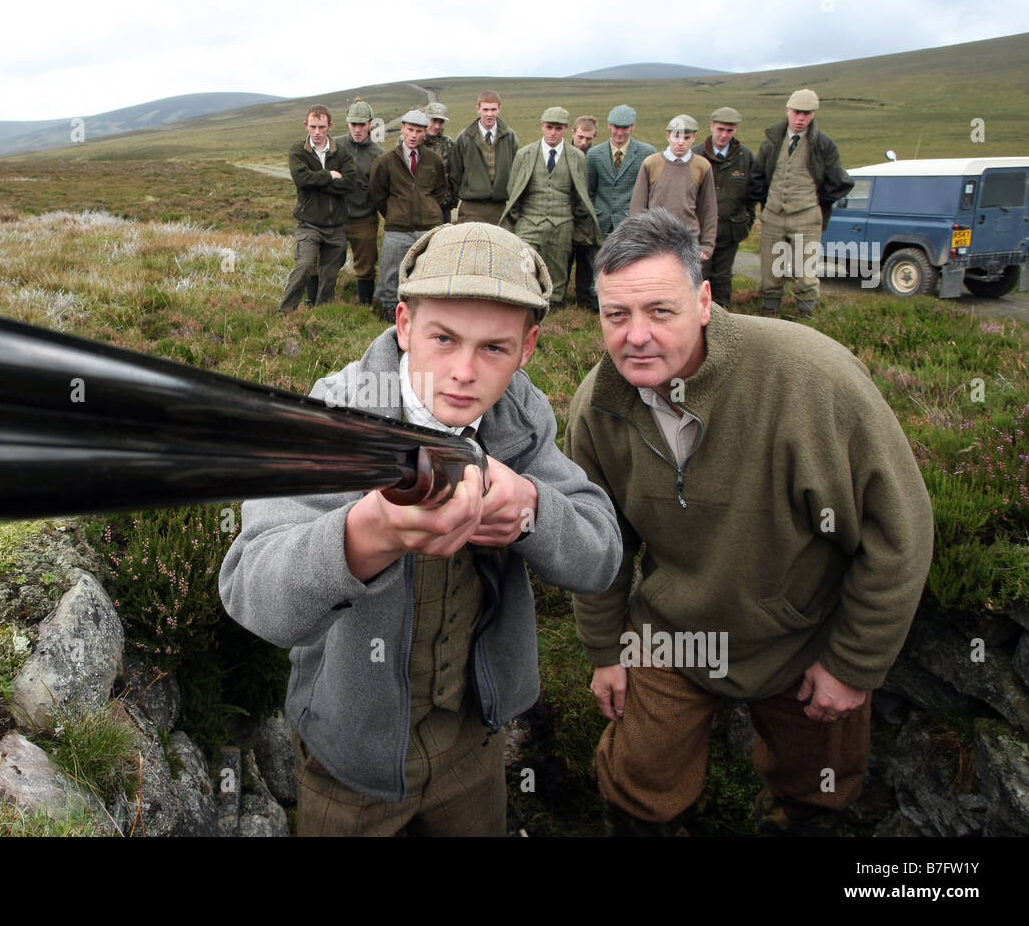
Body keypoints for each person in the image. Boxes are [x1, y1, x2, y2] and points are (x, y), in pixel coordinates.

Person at [220, 222, 623, 836]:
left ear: (529, 347)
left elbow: (600, 557)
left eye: (495, 348)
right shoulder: (333, 418)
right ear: (404, 324)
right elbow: (254, 594)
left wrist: (532, 509)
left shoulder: (521, 416)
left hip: (475, 747)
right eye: (443, 338)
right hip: (348, 763)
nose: (464, 372)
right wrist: (367, 533)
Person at [564, 208, 933, 835]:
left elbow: (900, 530)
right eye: (616, 315)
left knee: (817, 800)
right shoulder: (599, 405)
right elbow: (598, 546)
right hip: (671, 636)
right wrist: (605, 650)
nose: (636, 337)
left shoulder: (812, 380)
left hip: (803, 633)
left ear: (704, 301)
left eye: (660, 311)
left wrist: (852, 663)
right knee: (636, 793)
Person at [753, 89, 855, 318]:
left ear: (814, 114)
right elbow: (758, 178)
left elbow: (840, 181)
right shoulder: (771, 143)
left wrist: (816, 201)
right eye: (797, 112)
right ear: (788, 111)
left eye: (806, 114)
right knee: (770, 270)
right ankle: (769, 313)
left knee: (806, 271)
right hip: (773, 215)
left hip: (807, 217)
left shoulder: (823, 145)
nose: (801, 118)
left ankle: (805, 316)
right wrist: (767, 202)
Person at [500, 107, 601, 307]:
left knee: (558, 268)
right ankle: (523, 301)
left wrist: (578, 223)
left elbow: (579, 192)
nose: (553, 132)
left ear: (566, 129)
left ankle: (554, 306)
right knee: (524, 264)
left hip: (562, 222)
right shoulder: (525, 154)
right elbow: (513, 189)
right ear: (542, 126)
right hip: (528, 220)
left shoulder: (577, 157)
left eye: (558, 128)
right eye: (549, 127)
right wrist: (516, 220)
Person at [370, 109, 448, 323]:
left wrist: (429, 209)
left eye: (419, 131)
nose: (414, 135)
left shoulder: (434, 160)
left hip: (428, 227)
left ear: (426, 132)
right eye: (410, 129)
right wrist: (395, 213)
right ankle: (387, 312)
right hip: (397, 228)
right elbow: (378, 194)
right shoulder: (385, 161)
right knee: (390, 272)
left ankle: (427, 314)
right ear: (403, 128)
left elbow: (440, 190)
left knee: (429, 271)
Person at [279, 104, 357, 314]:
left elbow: (350, 183)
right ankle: (285, 312)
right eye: (313, 126)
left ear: (330, 125)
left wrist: (317, 181)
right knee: (304, 266)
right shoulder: (298, 151)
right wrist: (330, 175)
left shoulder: (342, 152)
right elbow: (301, 179)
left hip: (336, 226)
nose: (317, 132)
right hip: (309, 224)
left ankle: (322, 313)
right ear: (306, 125)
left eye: (321, 127)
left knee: (330, 274)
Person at [692, 106, 760, 308]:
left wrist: (746, 221)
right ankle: (695, 321)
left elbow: (752, 194)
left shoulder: (745, 157)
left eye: (729, 131)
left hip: (731, 230)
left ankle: (721, 320)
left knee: (722, 279)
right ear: (712, 126)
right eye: (720, 129)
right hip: (700, 232)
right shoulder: (695, 155)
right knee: (698, 277)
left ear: (735, 130)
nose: (723, 135)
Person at [629, 114, 717, 262]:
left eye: (686, 138)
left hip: (688, 240)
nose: (680, 142)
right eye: (676, 136)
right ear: (668, 135)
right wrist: (638, 240)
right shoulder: (651, 163)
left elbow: (709, 209)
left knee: (686, 283)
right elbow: (638, 206)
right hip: (654, 239)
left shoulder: (702, 166)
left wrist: (707, 245)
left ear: (694, 137)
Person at [336, 99, 386, 307]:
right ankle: (320, 304)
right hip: (334, 218)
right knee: (326, 262)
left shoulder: (378, 155)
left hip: (364, 218)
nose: (357, 129)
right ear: (347, 123)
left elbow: (383, 190)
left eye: (362, 124)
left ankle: (365, 305)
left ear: (370, 124)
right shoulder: (334, 147)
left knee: (365, 265)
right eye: (353, 124)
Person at [450, 91, 517, 225]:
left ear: (500, 109)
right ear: (478, 109)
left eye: (493, 109)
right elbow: (455, 174)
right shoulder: (464, 137)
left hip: (499, 209)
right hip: (470, 209)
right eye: (485, 109)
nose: (489, 114)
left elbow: (516, 170)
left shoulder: (510, 137)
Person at [586, 104, 655, 237]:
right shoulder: (594, 154)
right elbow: (590, 190)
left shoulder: (647, 152)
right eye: (616, 127)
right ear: (609, 125)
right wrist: (596, 213)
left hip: (632, 225)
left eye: (625, 128)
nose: (619, 132)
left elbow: (651, 192)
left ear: (633, 126)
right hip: (601, 225)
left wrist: (641, 218)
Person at [569, 116, 600, 309]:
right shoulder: (562, 152)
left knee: (585, 262)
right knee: (562, 261)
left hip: (586, 219)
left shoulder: (595, 157)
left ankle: (585, 304)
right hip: (563, 215)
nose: (584, 142)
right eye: (581, 137)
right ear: (573, 133)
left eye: (589, 139)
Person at [423, 102, 456, 224]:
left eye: (441, 122)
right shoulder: (412, 141)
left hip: (442, 206)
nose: (436, 126)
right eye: (433, 121)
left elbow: (455, 173)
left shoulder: (448, 143)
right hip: (417, 206)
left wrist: (452, 200)